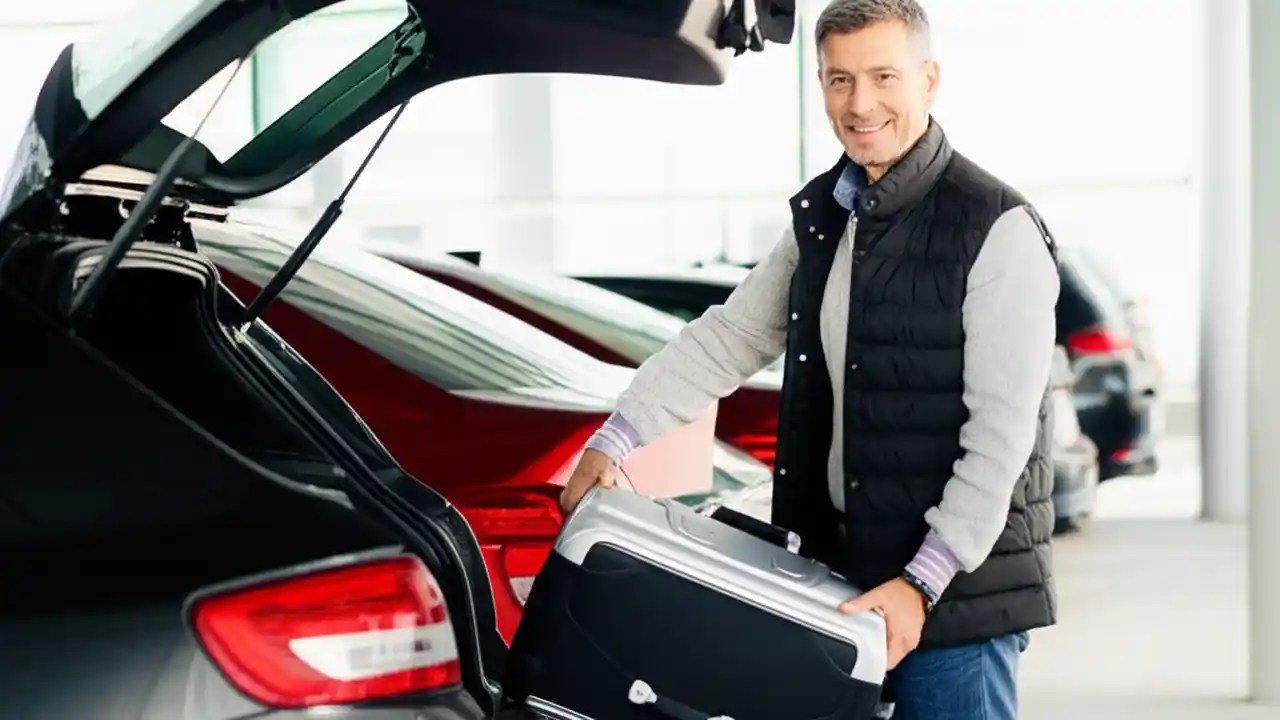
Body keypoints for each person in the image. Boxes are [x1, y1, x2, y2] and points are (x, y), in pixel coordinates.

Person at [559, 0, 1060, 717]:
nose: (861, 104)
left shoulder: (995, 228)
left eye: (884, 76)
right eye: (839, 80)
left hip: (954, 607)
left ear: (929, 80)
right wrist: (617, 437)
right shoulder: (828, 214)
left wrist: (922, 583)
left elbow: (1001, 440)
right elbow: (730, 336)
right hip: (845, 584)